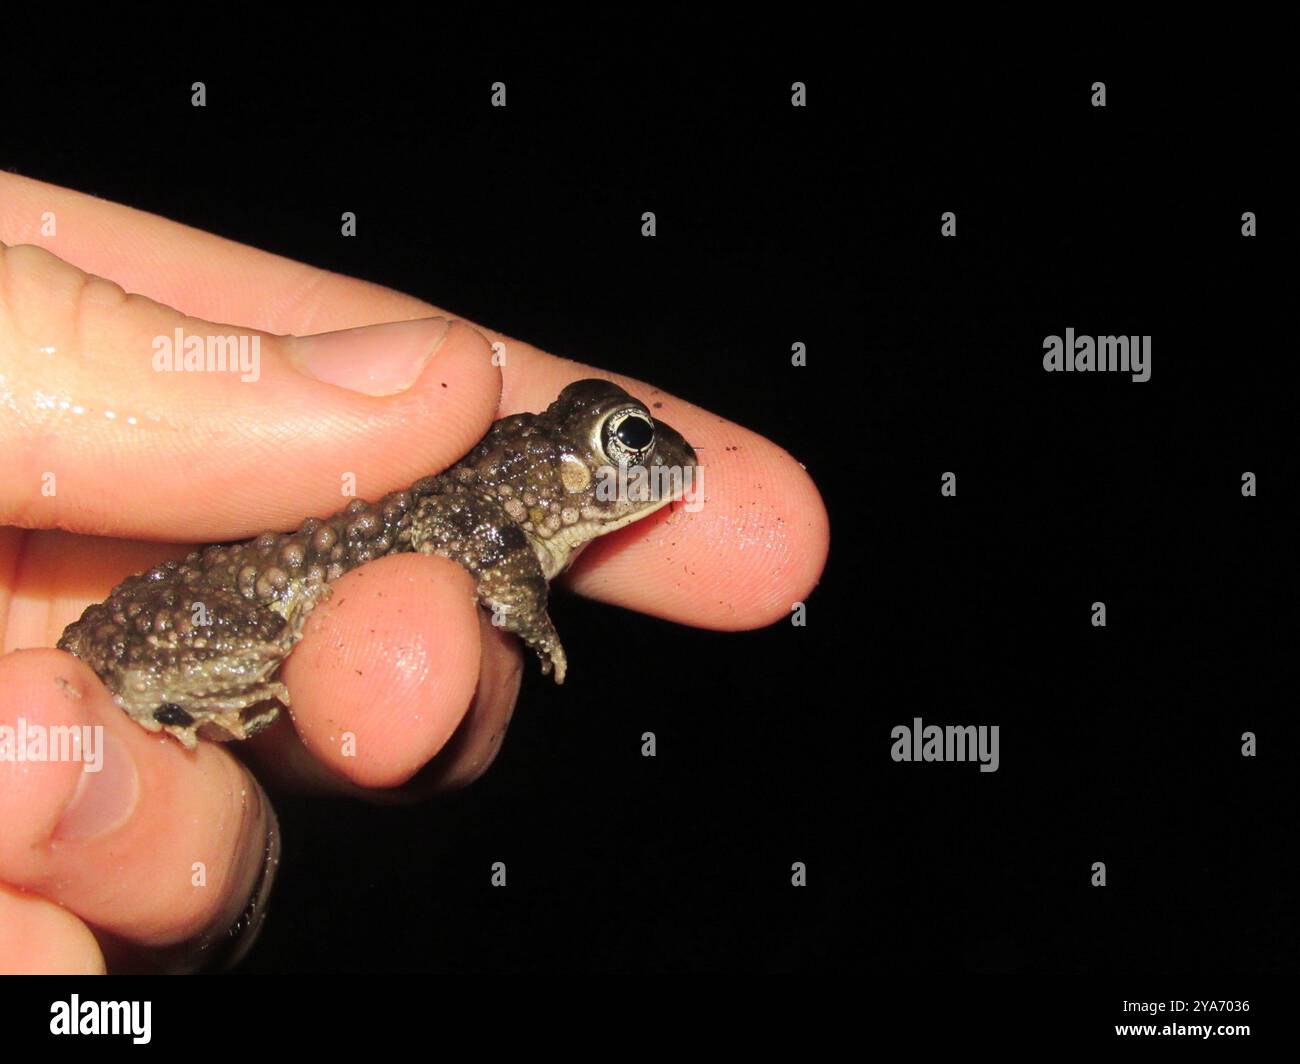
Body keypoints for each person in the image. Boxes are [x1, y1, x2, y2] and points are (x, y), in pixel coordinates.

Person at [0, 174, 829, 973]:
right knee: (254, 652)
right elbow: (452, 518)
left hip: (173, 622)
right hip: (194, 621)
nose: (652, 462)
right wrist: (526, 604)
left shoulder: (503, 486)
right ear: (562, 468)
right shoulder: (487, 499)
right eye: (629, 444)